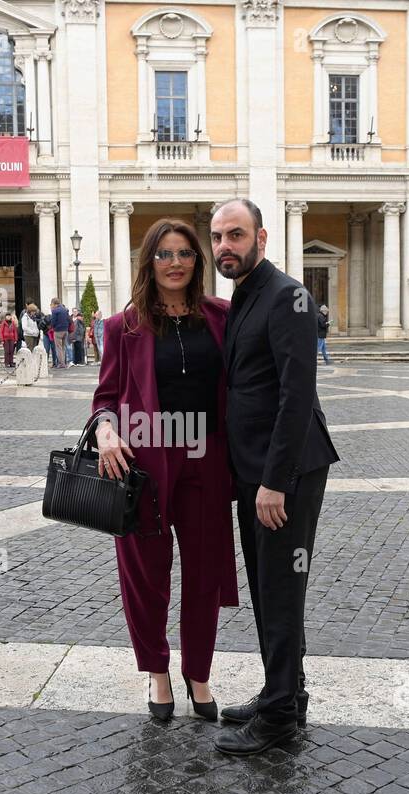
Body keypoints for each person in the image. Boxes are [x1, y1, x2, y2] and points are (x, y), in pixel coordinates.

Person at [93, 218, 238, 724]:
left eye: (184, 253)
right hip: (144, 465)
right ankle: (157, 672)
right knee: (145, 576)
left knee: (203, 575)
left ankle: (199, 674)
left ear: (197, 262)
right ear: (148, 262)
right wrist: (106, 431)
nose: (174, 263)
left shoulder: (223, 316)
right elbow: (105, 399)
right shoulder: (123, 327)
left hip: (206, 458)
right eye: (163, 254)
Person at [209, 198, 339, 756]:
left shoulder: (289, 295)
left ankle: (281, 716)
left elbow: (296, 393)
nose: (223, 247)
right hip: (254, 470)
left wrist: (275, 481)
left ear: (261, 237)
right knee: (267, 588)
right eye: (216, 237)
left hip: (283, 473)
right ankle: (284, 692)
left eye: (235, 235)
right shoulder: (245, 293)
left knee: (281, 591)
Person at [49, 298, 70, 369]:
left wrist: (52, 326)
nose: (52, 306)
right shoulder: (65, 309)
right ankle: (64, 362)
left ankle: (61, 364)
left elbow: (53, 321)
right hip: (65, 330)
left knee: (58, 348)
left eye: (52, 304)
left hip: (58, 331)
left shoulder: (55, 311)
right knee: (63, 347)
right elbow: (69, 319)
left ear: (55, 304)